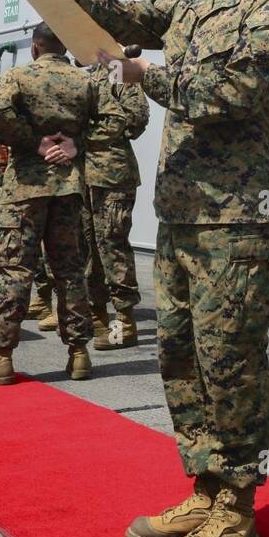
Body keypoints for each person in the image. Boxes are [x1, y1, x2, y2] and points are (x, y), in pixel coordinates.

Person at [9, 0, 269, 537]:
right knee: (180, 354)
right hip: (180, 214)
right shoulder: (191, 5)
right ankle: (203, 487)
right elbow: (122, 16)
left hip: (234, 216)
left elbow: (228, 95)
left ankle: (236, 506)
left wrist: (143, 72)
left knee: (229, 358)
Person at [0, 23, 98, 386]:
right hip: (68, 188)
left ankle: (2, 357)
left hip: (25, 188)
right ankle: (79, 354)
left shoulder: (19, 76)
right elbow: (112, 122)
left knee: (13, 269)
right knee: (69, 270)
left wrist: (35, 143)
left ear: (36, 47)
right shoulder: (85, 82)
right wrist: (75, 145)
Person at [83, 63, 149, 350]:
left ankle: (124, 321)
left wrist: (94, 125)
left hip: (113, 174)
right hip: (82, 175)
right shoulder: (84, 77)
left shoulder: (120, 75)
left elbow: (137, 119)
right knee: (87, 247)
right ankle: (97, 316)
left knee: (112, 244)